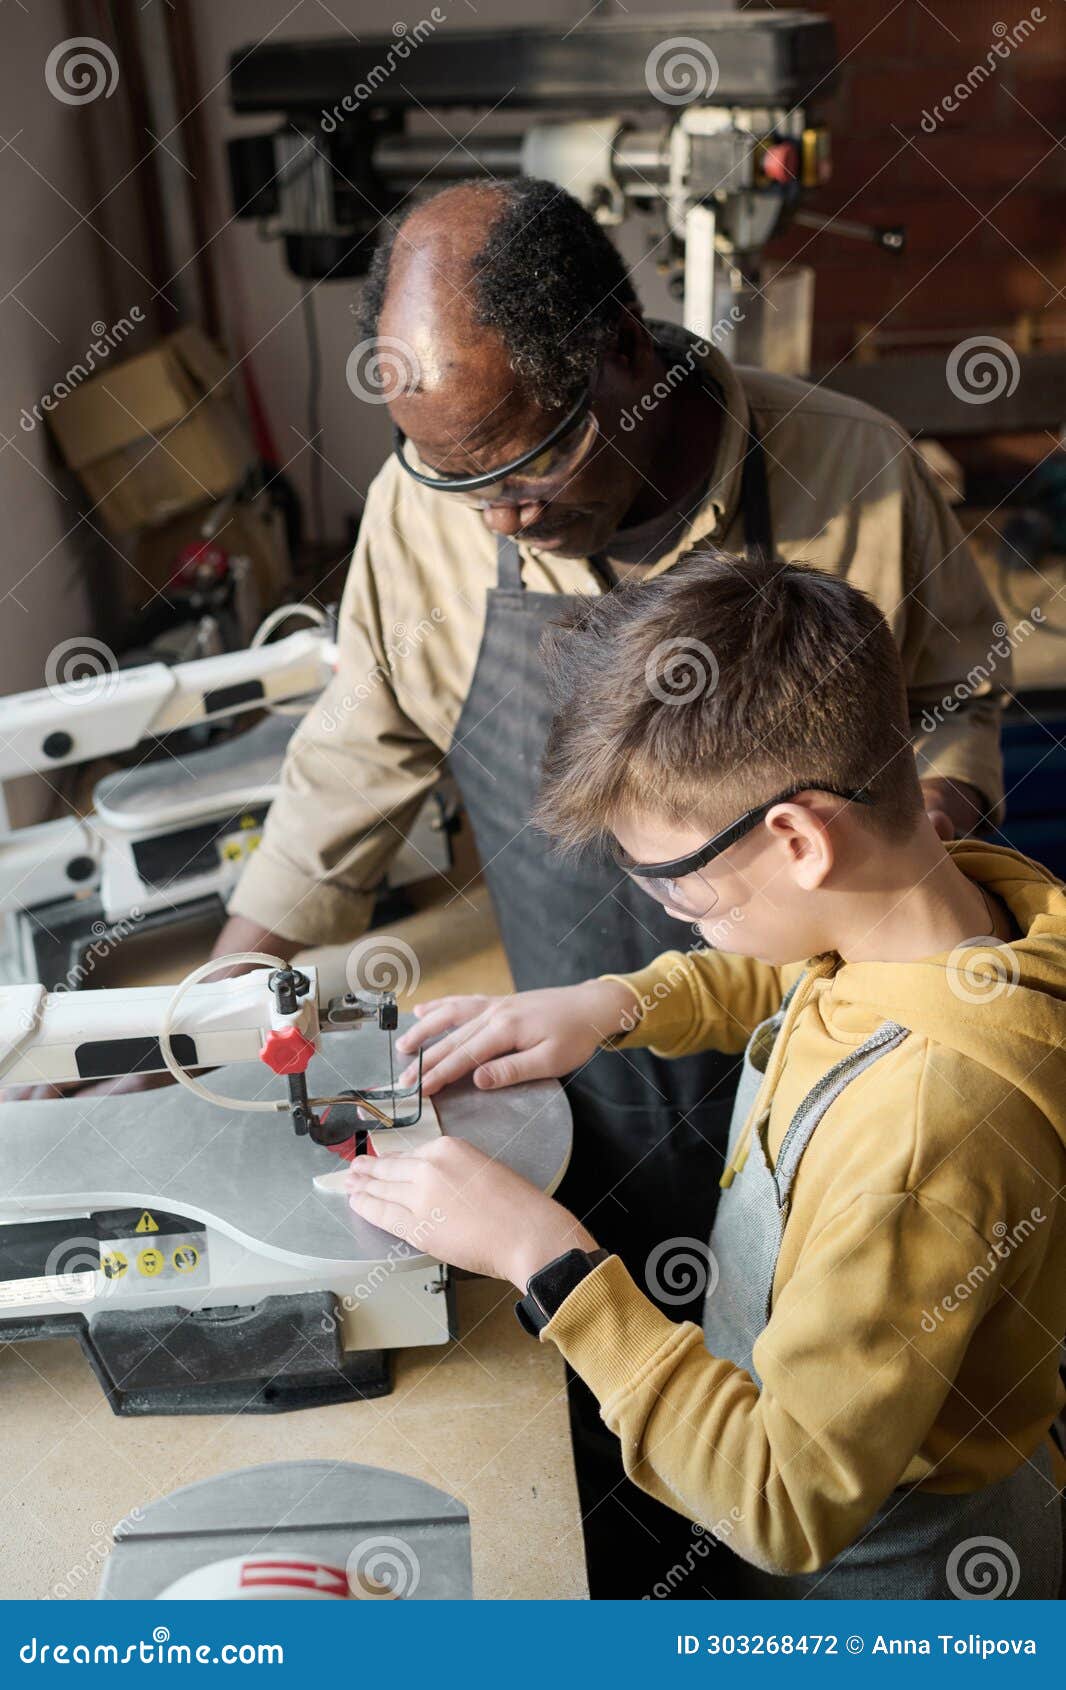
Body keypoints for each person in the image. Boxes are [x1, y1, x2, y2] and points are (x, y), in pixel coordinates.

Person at [8, 177, 1013, 1592]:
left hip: (818, 1043)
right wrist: (206, 1006)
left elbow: (957, 693)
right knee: (662, 1422)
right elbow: (357, 751)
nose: (487, 517)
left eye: (516, 467)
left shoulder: (847, 468)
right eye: (446, 474)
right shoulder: (441, 510)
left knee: (786, 1462)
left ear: (616, 356)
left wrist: (895, 837)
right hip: (602, 1047)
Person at [344, 553, 1066, 1599]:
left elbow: (784, 1498)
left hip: (883, 1584)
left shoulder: (921, 1134)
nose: (675, 911)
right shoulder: (968, 911)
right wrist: (614, 1003)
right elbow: (798, 976)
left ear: (797, 839)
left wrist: (545, 1259)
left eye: (678, 884)